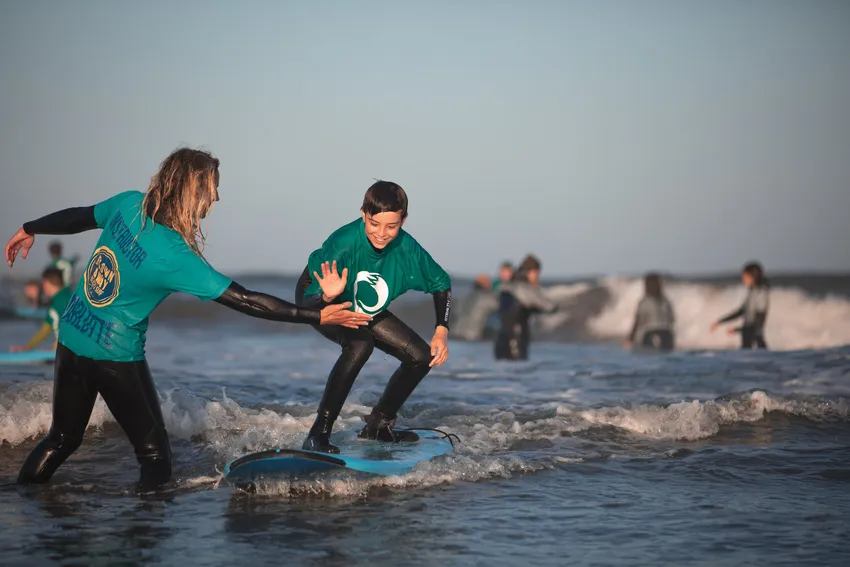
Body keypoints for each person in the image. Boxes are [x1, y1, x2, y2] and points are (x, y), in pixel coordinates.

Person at [3, 147, 372, 488]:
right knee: (154, 457)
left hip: (72, 334)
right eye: (212, 188)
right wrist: (315, 314)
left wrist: (30, 227)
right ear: (192, 190)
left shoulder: (128, 204)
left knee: (61, 439)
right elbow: (247, 300)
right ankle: (143, 543)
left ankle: (26, 510)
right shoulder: (176, 256)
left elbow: (79, 218)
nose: (216, 197)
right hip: (113, 353)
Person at [295, 180, 452, 454]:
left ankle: (378, 427)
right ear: (363, 214)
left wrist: (441, 330)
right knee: (360, 344)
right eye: (374, 224)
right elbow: (310, 301)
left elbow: (441, 283)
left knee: (420, 357)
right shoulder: (343, 244)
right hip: (322, 298)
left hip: (364, 307)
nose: (381, 234)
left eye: (392, 226)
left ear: (403, 219)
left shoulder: (407, 249)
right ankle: (317, 434)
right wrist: (329, 297)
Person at [494, 254, 557, 360]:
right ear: (532, 272)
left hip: (500, 340)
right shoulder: (525, 288)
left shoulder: (507, 286)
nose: (537, 277)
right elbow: (548, 306)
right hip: (516, 341)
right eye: (537, 274)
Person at [10, 268, 71, 353]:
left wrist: (56, 346)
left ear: (46, 283)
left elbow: (67, 328)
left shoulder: (57, 303)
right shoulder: (68, 294)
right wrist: (28, 347)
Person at [711, 261, 770, 349]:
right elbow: (741, 312)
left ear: (753, 277)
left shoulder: (761, 294)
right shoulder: (752, 292)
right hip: (748, 338)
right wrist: (720, 321)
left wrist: (737, 330)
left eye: (745, 276)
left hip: (756, 344)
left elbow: (758, 325)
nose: (743, 278)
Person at [625, 273, 675, 351]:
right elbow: (672, 319)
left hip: (651, 333)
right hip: (667, 334)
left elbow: (637, 322)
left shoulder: (645, 301)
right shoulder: (665, 301)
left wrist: (630, 340)